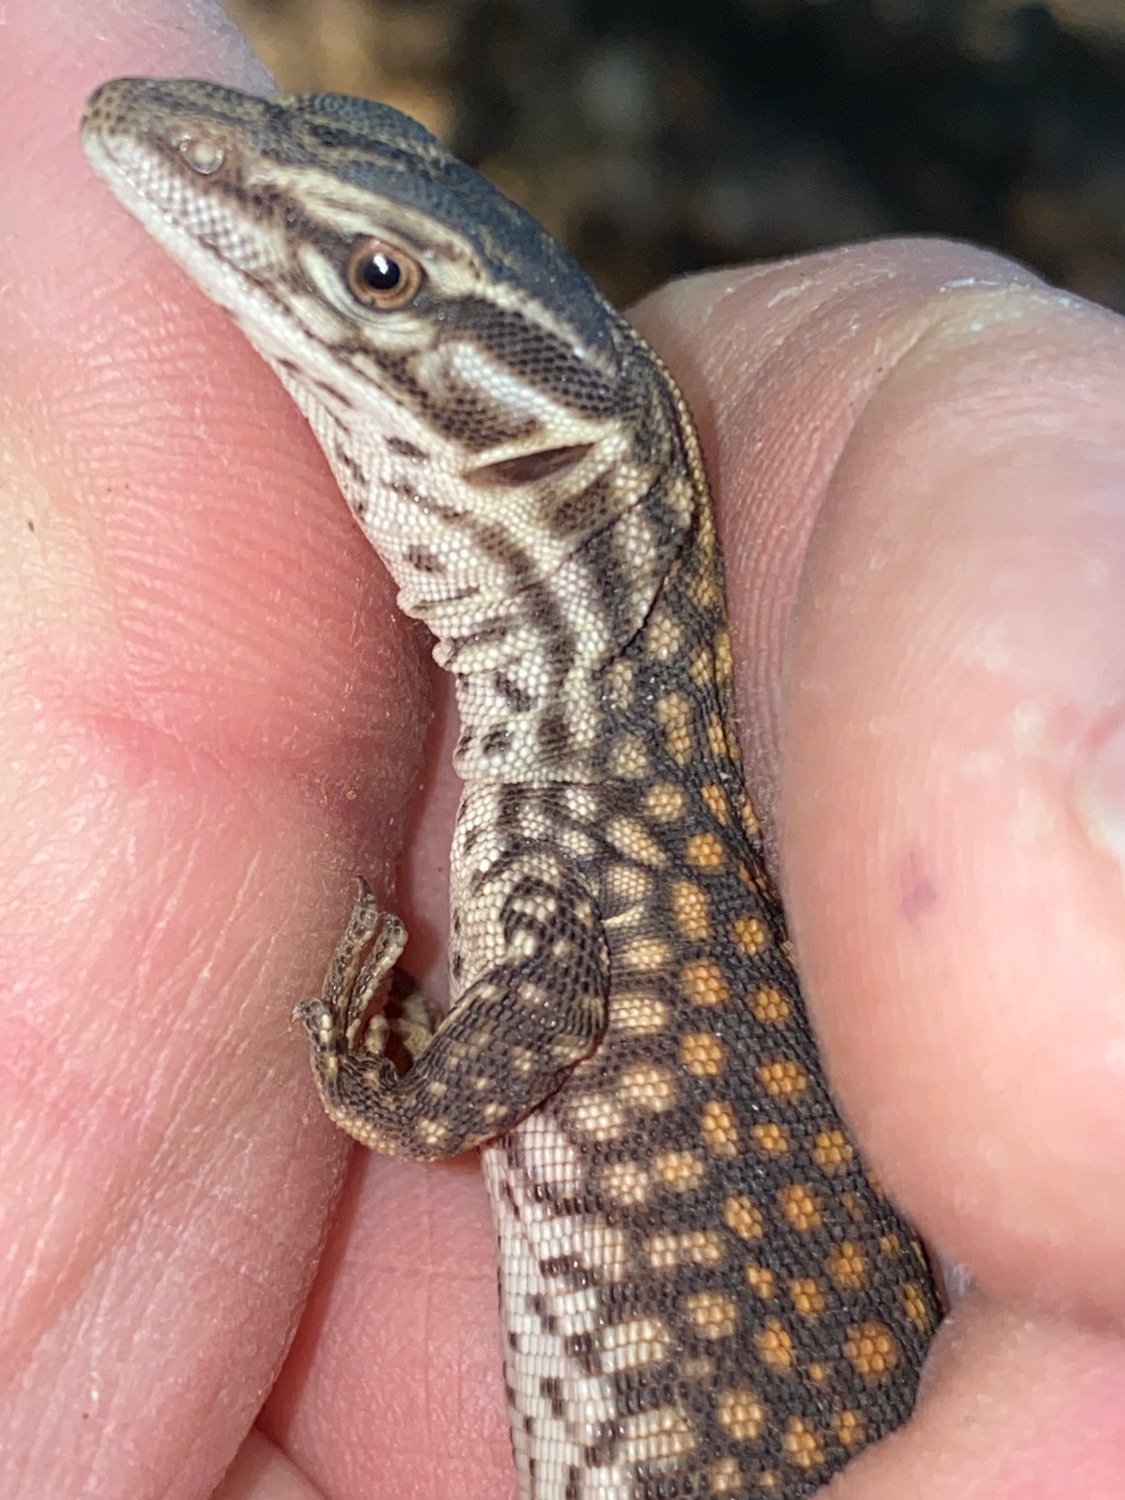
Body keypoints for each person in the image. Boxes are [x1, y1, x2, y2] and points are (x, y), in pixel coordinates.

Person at [4, 0, 1125, 1495]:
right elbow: (520, 1017)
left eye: (378, 278)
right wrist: (366, 1078)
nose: (225, 187)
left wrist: (369, 1082)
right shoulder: (608, 793)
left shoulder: (599, 809)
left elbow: (519, 1039)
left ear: (536, 445)